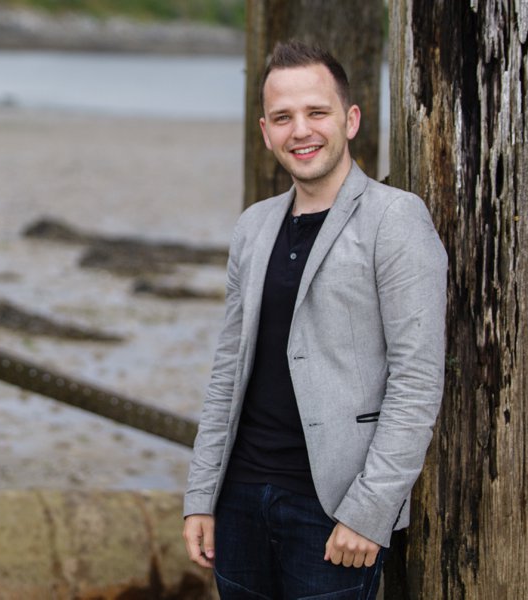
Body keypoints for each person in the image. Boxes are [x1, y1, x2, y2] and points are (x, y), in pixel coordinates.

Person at [182, 40, 447, 599]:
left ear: (350, 120)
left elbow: (417, 380)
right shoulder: (253, 227)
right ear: (265, 131)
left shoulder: (395, 220)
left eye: (316, 112)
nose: (300, 130)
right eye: (283, 117)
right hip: (240, 502)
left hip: (332, 513)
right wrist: (202, 498)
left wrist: (369, 512)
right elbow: (227, 372)